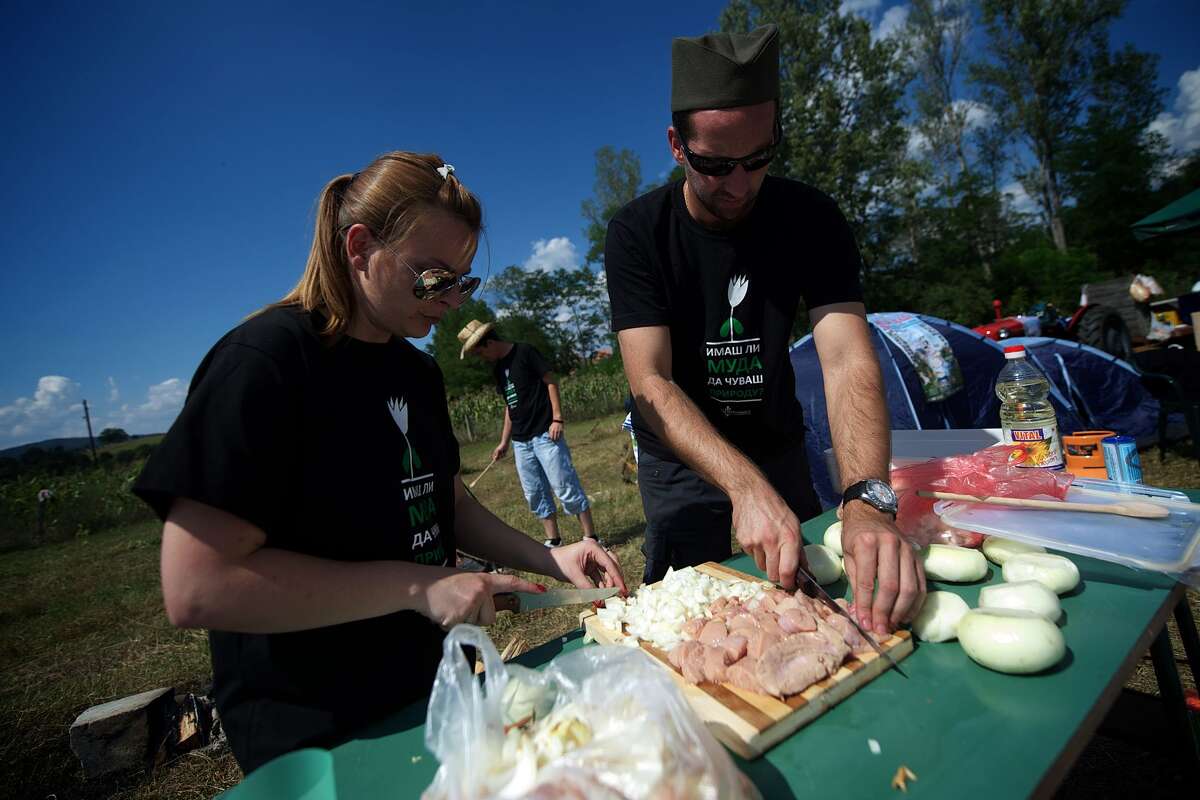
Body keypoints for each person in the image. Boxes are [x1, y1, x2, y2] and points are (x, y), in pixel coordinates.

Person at [133, 152, 626, 773]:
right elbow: (197, 586)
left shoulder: (414, 372)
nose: (450, 302)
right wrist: (420, 586)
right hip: (319, 729)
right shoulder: (266, 365)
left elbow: (442, 498)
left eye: (463, 281)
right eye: (434, 279)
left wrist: (547, 556)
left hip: (432, 686)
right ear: (361, 247)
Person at [604, 25, 924, 636]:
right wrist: (742, 486)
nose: (741, 185)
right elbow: (650, 380)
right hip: (679, 457)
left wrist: (866, 497)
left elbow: (846, 360)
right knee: (686, 616)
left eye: (758, 159)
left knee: (812, 599)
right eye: (716, 165)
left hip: (775, 442)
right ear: (677, 146)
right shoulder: (637, 233)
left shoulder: (812, 218)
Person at [459, 322, 599, 548]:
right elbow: (509, 406)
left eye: (480, 351)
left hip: (545, 433)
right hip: (521, 442)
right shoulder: (497, 369)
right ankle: (554, 540)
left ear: (490, 342)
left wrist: (557, 418)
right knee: (534, 491)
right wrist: (504, 441)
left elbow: (550, 382)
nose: (481, 356)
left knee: (564, 484)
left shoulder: (525, 352)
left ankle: (591, 537)